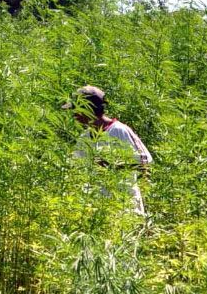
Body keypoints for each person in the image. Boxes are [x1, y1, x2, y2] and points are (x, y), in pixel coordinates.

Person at [64, 85, 151, 217]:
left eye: (77, 109)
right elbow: (75, 167)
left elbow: (144, 163)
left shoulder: (119, 130)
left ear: (87, 109)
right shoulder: (85, 137)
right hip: (98, 209)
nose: (74, 114)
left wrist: (112, 166)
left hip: (125, 207)